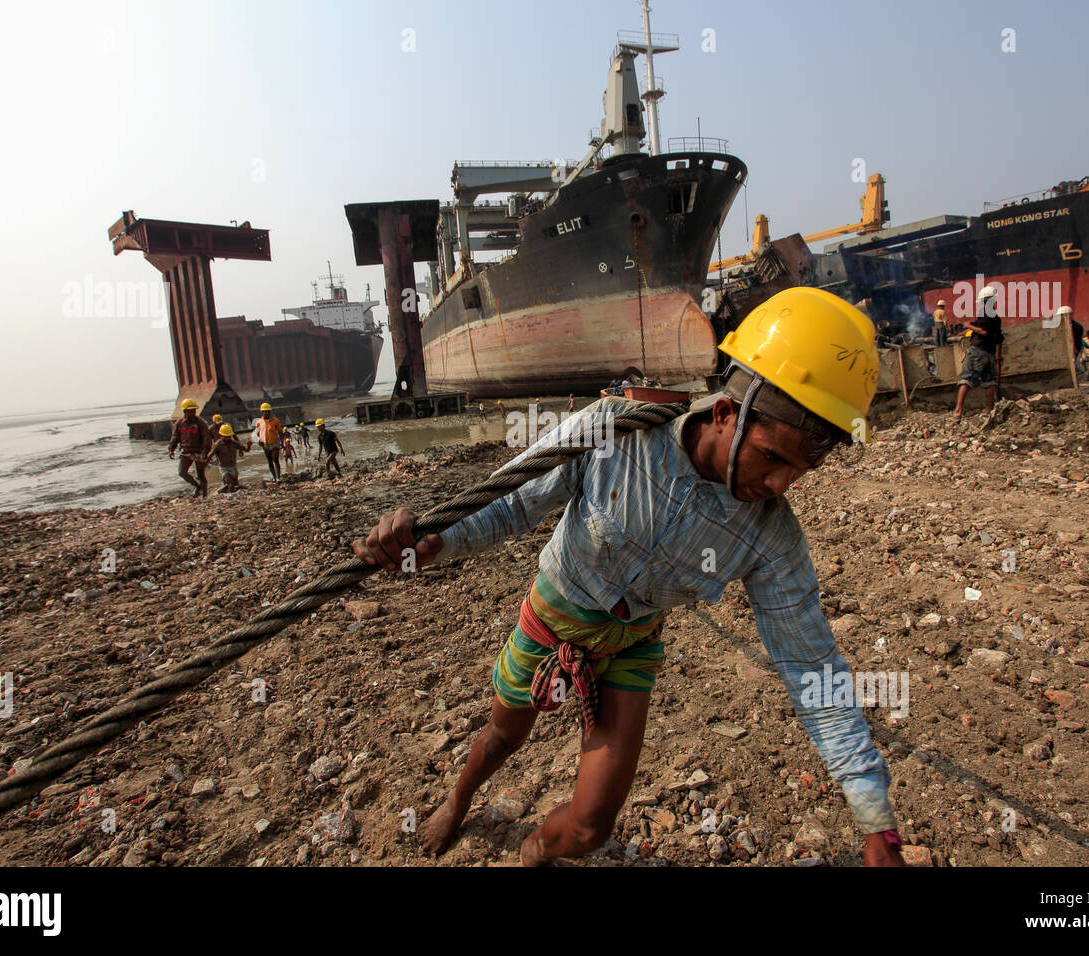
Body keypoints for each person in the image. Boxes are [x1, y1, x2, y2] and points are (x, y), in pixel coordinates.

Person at [352, 287, 904, 867]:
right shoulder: (616, 432)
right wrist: (431, 542)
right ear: (724, 415)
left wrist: (875, 819)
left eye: (800, 469)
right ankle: (458, 799)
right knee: (501, 740)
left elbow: (810, 664)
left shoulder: (772, 537)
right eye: (771, 457)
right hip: (553, 620)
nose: (780, 486)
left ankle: (534, 853)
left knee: (590, 829)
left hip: (631, 644)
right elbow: (512, 502)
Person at [953, 286, 1004, 418]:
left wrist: (968, 325)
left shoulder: (984, 312)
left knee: (966, 379)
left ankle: (957, 411)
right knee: (989, 382)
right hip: (990, 354)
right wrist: (997, 356)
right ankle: (989, 411)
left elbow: (983, 331)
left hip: (978, 351)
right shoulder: (996, 317)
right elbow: (999, 338)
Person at [167, 398, 212, 499]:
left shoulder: (200, 422)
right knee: (182, 472)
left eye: (194, 411)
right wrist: (171, 449)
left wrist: (205, 452)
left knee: (201, 474)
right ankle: (197, 486)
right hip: (186, 451)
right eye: (190, 411)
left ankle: (204, 496)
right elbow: (175, 437)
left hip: (199, 451)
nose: (193, 413)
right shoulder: (180, 423)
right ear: (184, 412)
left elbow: (207, 438)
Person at [211, 424, 251, 492]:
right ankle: (230, 495)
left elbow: (246, 450)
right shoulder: (218, 445)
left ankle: (225, 489)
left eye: (229, 436)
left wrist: (249, 445)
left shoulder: (234, 443)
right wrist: (206, 460)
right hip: (224, 468)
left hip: (233, 467)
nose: (228, 438)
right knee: (231, 485)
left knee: (236, 484)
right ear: (222, 436)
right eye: (226, 437)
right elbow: (211, 454)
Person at [252, 402, 284, 481]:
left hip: (274, 443)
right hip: (265, 444)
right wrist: (259, 440)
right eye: (265, 411)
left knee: (275, 459)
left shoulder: (275, 421)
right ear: (262, 412)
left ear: (270, 411)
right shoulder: (259, 422)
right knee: (269, 461)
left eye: (268, 411)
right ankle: (274, 477)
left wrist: (282, 443)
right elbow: (257, 433)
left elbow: (280, 432)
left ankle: (278, 477)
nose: (266, 413)